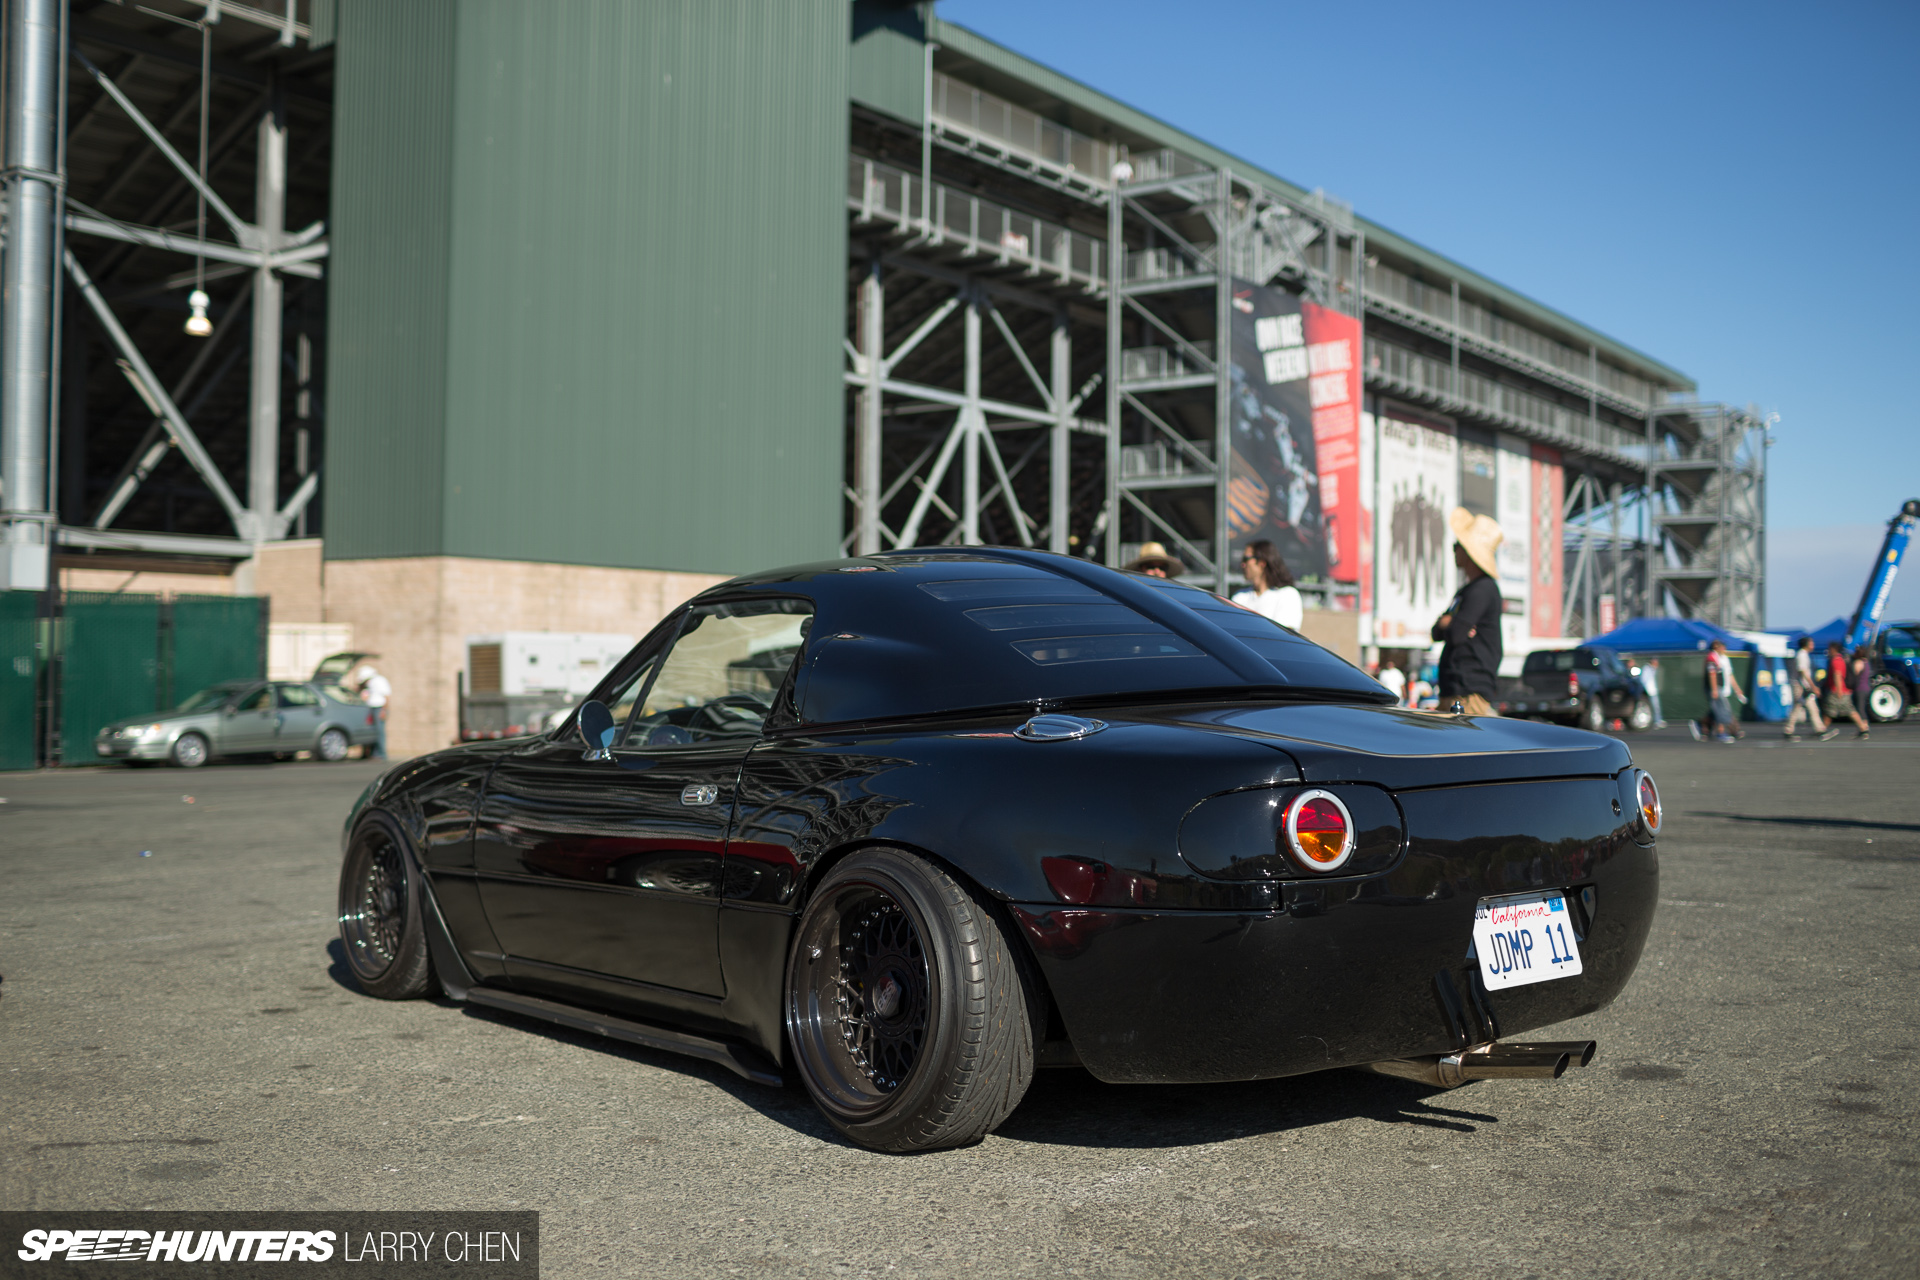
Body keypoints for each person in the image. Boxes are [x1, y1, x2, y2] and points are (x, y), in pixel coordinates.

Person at [1431, 508, 1504, 717]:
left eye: (1457, 545)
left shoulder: (1483, 589)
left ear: (1469, 551)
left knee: (1464, 748)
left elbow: (1455, 634)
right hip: (1454, 689)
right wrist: (1450, 624)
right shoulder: (1466, 591)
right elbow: (1436, 632)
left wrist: (1450, 623)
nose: (1454, 550)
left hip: (1468, 692)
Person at [1232, 540, 1304, 629]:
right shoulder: (1240, 597)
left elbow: (1282, 637)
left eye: (1246, 559)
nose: (1242, 564)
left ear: (1262, 563)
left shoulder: (1287, 595)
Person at [1782, 635, 1833, 740]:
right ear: (1806, 644)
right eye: (1811, 643)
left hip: (1804, 686)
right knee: (1798, 708)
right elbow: (1803, 672)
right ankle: (1789, 730)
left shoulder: (1804, 655)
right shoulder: (1802, 655)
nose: (1813, 645)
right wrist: (1812, 686)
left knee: (1811, 708)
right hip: (1801, 686)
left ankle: (1820, 730)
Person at [1698, 639, 1745, 742]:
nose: (1724, 649)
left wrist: (1737, 689)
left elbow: (1729, 674)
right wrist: (1714, 689)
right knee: (1722, 710)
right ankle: (1721, 732)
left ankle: (1703, 725)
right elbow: (1712, 674)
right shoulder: (1711, 657)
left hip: (1721, 688)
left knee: (1719, 710)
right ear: (1716, 647)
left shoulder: (1721, 658)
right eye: (1721, 646)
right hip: (1716, 688)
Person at [1822, 641, 1869, 739]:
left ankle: (1822, 730)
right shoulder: (1841, 659)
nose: (1828, 651)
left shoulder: (1836, 660)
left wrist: (1839, 691)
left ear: (1833, 649)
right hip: (1843, 690)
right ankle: (1863, 728)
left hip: (1837, 690)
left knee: (1829, 711)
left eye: (1830, 649)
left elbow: (1838, 675)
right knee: (1850, 710)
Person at [354, 663, 391, 759]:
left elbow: (386, 696)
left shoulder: (379, 681)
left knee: (379, 731)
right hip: (371, 708)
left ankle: (381, 754)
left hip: (379, 708)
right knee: (373, 732)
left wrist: (384, 711)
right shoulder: (369, 683)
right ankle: (373, 753)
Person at [1638, 656, 1666, 729]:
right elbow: (1643, 680)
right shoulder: (1646, 669)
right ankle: (1655, 721)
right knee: (1652, 707)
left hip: (1653, 691)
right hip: (1649, 692)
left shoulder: (1653, 669)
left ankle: (1658, 720)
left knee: (1656, 707)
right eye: (1655, 662)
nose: (1657, 663)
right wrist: (1646, 691)